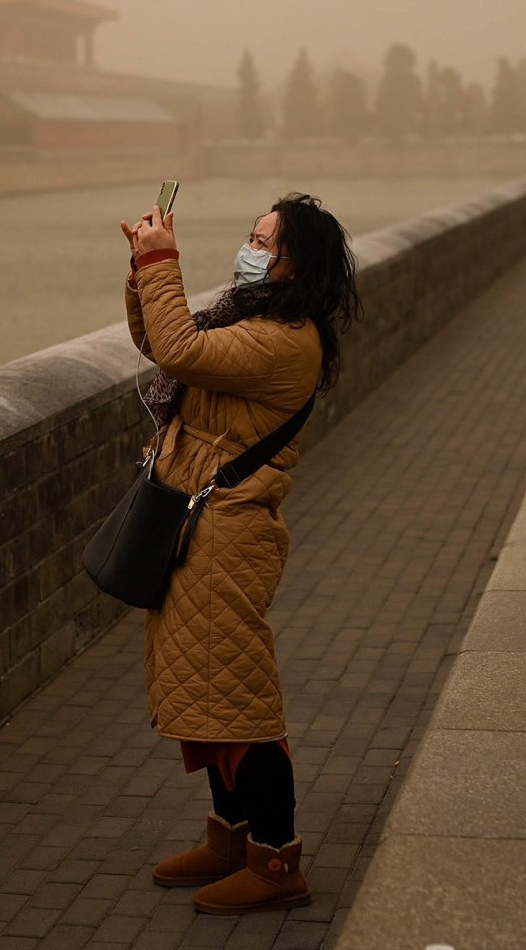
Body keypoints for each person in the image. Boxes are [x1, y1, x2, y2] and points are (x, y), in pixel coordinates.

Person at [117, 193, 361, 916]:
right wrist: (143, 277)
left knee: (239, 701)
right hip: (197, 525)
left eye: (265, 240)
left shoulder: (287, 341)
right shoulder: (251, 318)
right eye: (250, 236)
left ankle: (278, 860)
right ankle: (231, 837)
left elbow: (178, 350)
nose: (250, 249)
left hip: (228, 532)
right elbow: (164, 340)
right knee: (206, 689)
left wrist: (162, 260)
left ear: (296, 262)